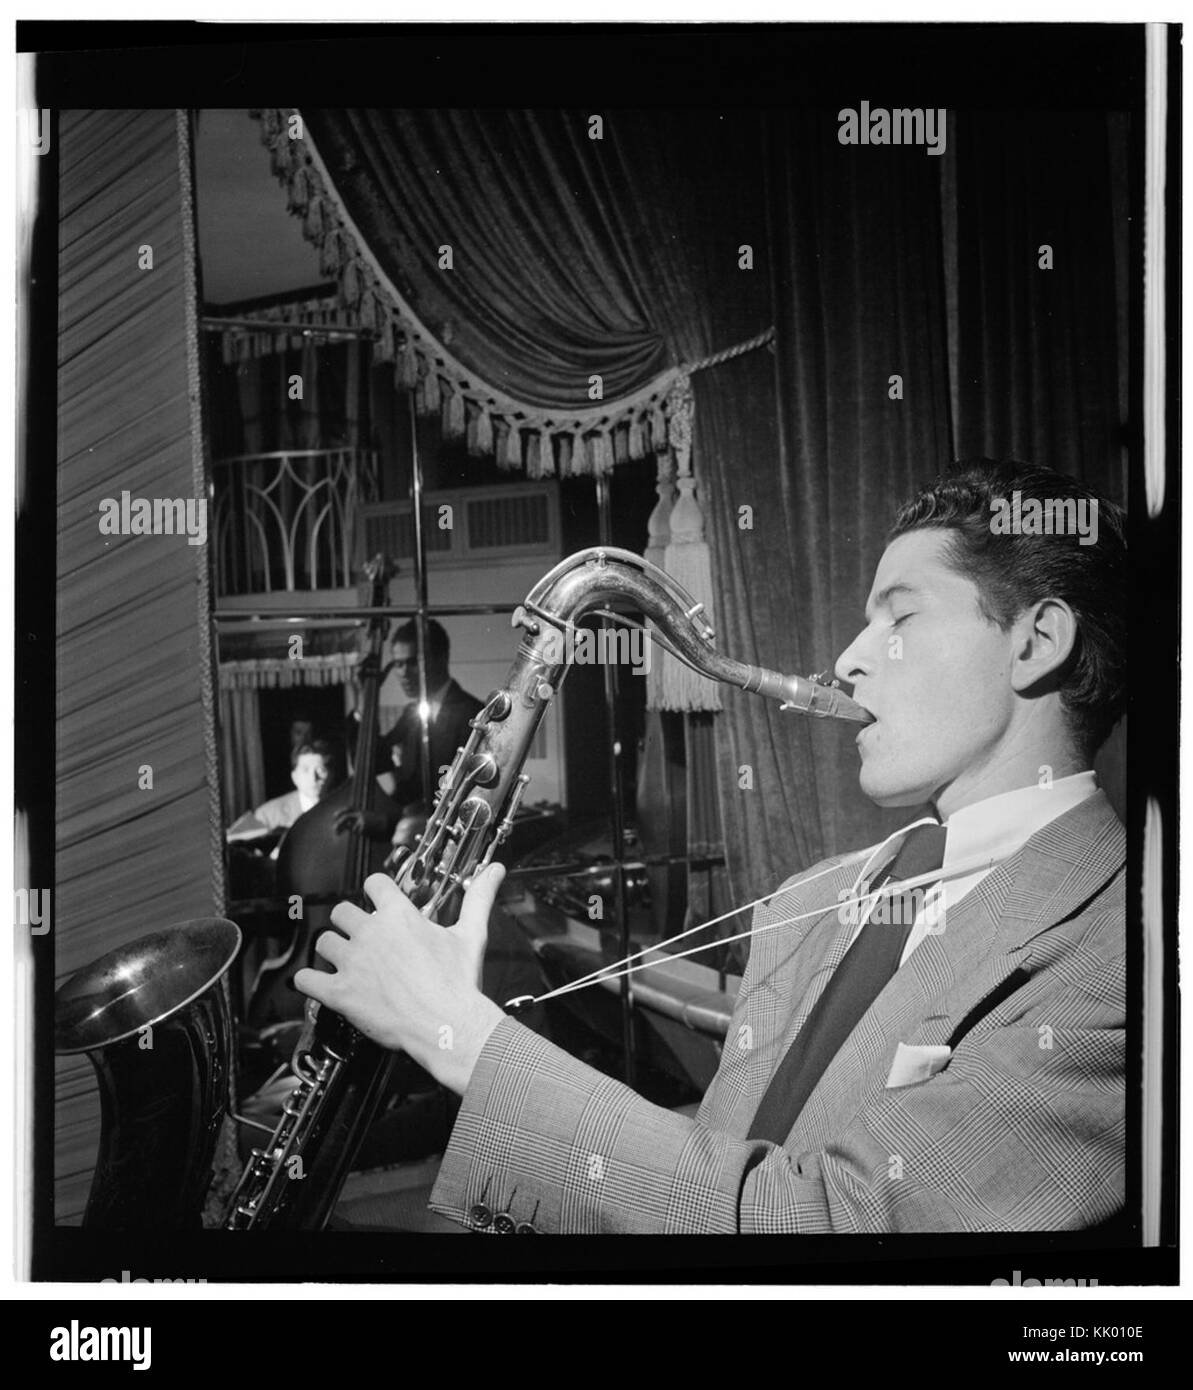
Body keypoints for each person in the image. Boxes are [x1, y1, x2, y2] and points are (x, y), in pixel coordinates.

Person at [296, 460, 1127, 1234]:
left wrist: (459, 1037)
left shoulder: (1117, 960)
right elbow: (731, 1153)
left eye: (900, 617)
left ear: (1034, 642)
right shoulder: (828, 890)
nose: (846, 658)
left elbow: (822, 1218)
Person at [334, 618, 485, 848]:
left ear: (441, 658)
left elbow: (459, 800)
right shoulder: (411, 714)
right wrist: (365, 701)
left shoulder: (474, 715)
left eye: (413, 662)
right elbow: (371, 764)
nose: (403, 673)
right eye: (398, 664)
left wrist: (386, 822)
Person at [226, 739, 340, 840]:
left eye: (321, 770)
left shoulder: (341, 810)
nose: (313, 778)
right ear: (295, 777)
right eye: (305, 770)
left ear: (332, 775)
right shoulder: (268, 815)